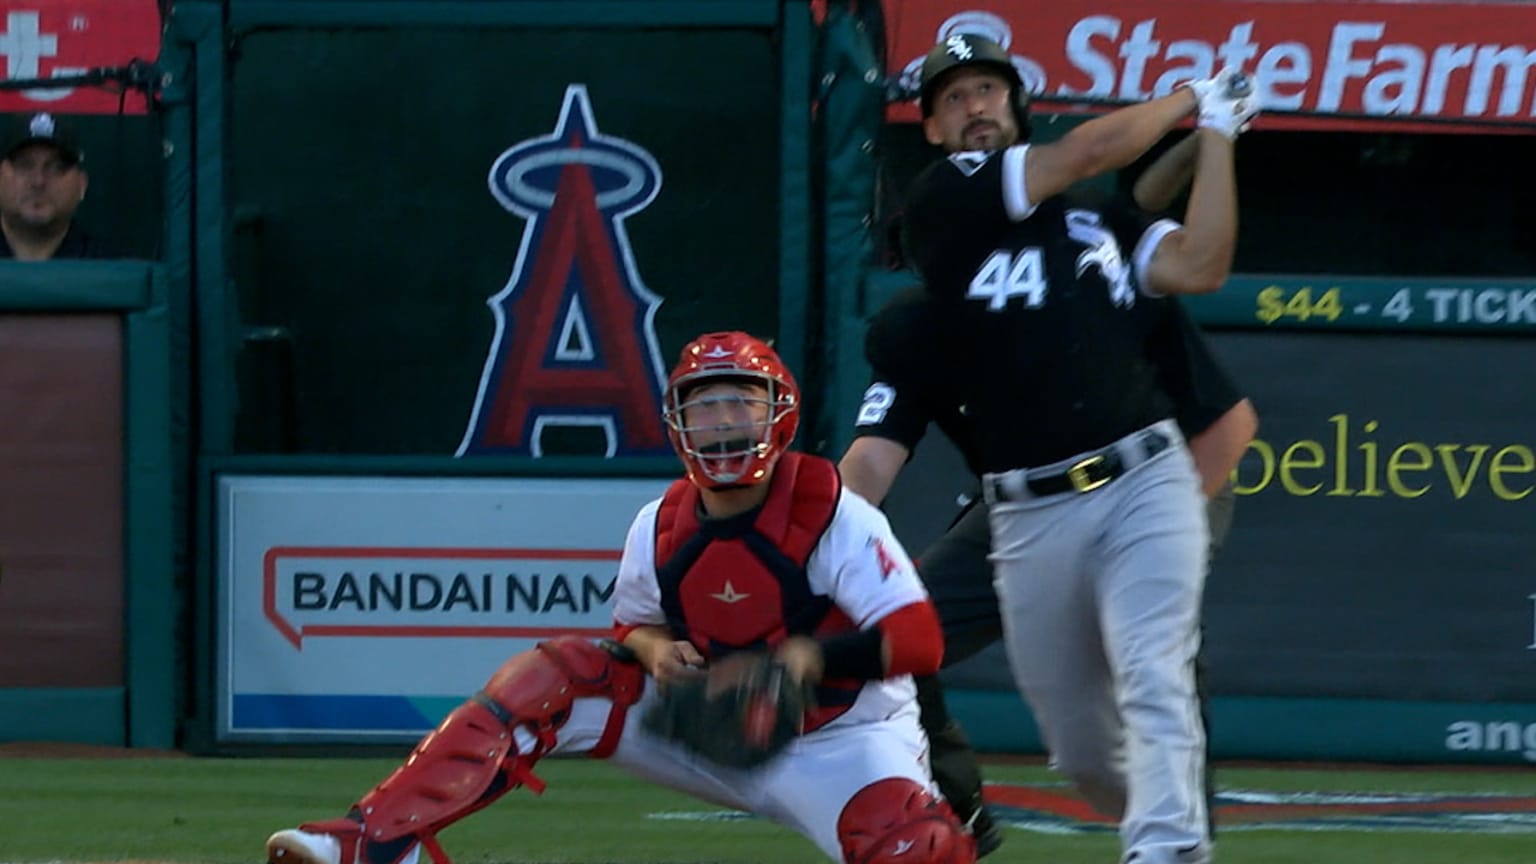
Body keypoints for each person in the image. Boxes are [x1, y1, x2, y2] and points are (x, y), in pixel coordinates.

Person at [266, 331, 978, 864]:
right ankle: (372, 840)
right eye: (706, 407)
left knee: (923, 848)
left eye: (742, 402)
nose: (724, 423)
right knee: (559, 672)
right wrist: (656, 651)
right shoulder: (659, 524)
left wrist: (803, 659)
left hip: (841, 738)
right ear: (678, 423)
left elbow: (921, 641)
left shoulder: (833, 510)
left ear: (778, 416)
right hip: (704, 728)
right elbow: (633, 623)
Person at [838, 33, 1258, 864]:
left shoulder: (1095, 227)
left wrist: (1216, 132)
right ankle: (1001, 806)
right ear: (931, 129)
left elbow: (1202, 272)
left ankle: (1174, 847)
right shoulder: (943, 218)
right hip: (1026, 508)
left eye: (988, 89)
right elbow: (871, 461)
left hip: (1146, 474)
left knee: (1155, 664)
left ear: (1018, 104)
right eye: (954, 97)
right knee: (1082, 748)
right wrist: (1192, 96)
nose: (975, 106)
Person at [0, 111, 106, 260]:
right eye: (24, 165)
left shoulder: (113, 267)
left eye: (57, 168)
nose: (38, 181)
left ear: (82, 185)